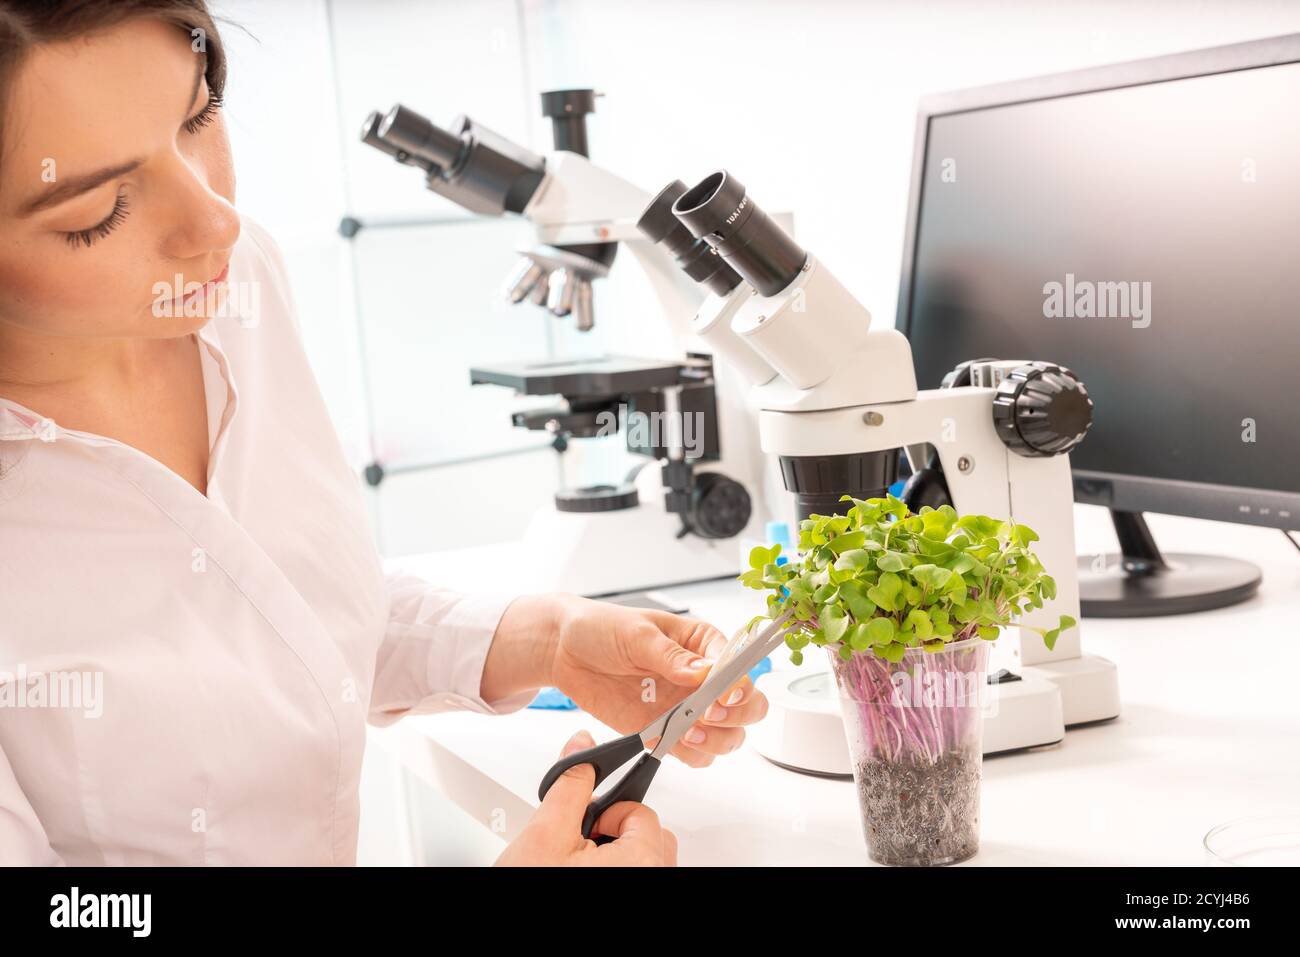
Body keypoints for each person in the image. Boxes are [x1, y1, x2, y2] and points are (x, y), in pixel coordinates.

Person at [0, 0, 766, 866]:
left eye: (198, 115)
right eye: (97, 211)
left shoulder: (234, 283)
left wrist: (541, 640)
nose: (215, 219)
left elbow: (280, 606)